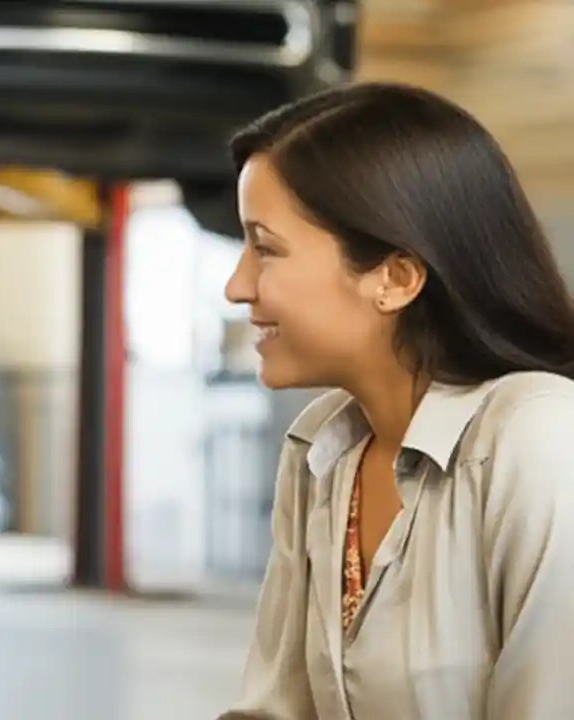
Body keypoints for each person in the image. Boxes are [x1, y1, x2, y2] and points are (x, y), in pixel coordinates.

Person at [219, 81, 574, 719]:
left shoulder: (539, 438)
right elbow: (275, 710)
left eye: (265, 247)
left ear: (395, 277)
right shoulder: (319, 450)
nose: (237, 285)